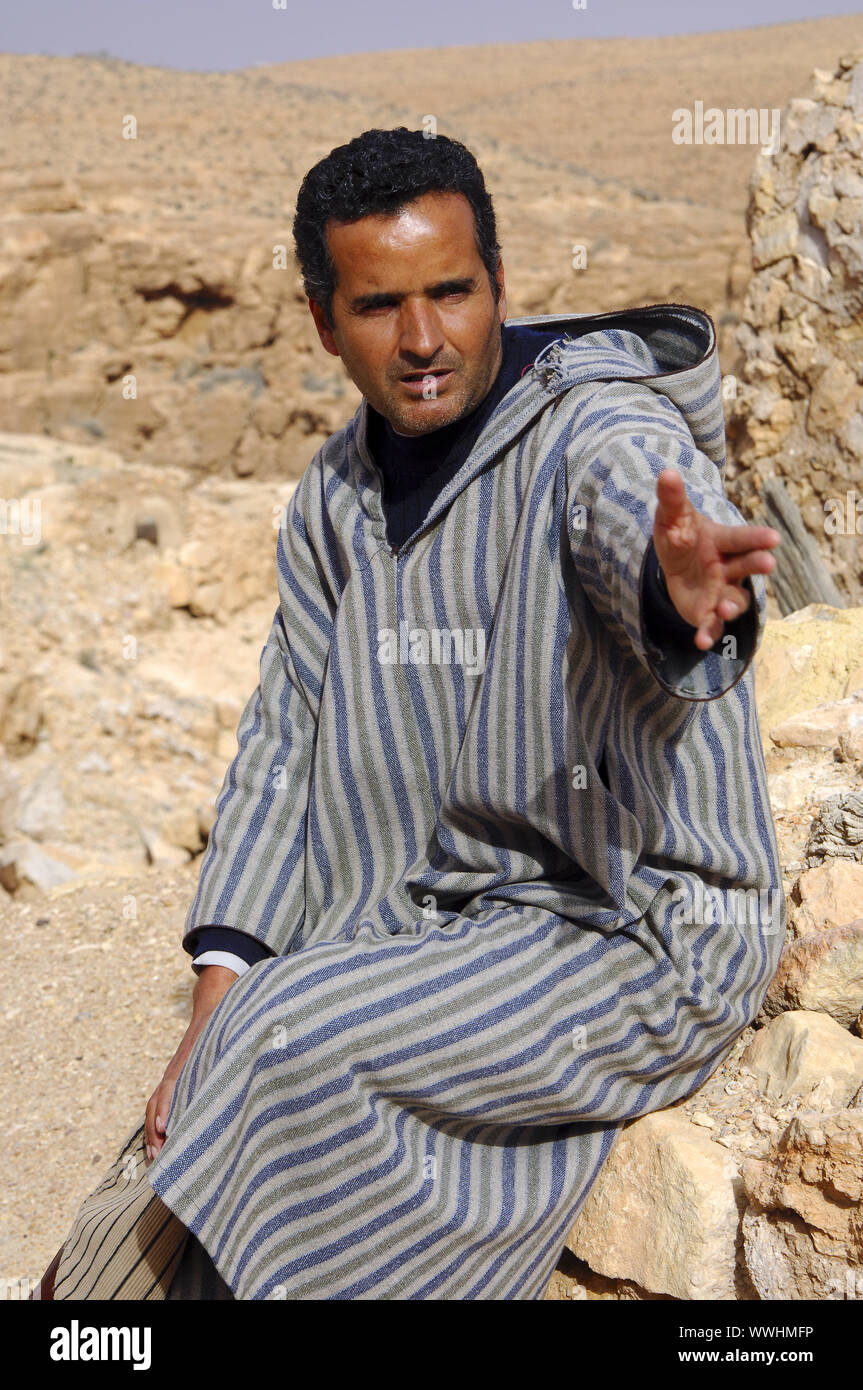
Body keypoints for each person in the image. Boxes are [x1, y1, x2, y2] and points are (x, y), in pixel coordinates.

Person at [52, 126, 787, 1301]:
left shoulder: (598, 432)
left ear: (498, 280)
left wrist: (673, 587)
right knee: (179, 1138)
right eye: (379, 305)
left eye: (451, 291)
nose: (423, 339)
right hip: (421, 919)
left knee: (288, 1042)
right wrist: (210, 1011)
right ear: (320, 320)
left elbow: (635, 506)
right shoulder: (333, 495)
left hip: (632, 934)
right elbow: (282, 747)